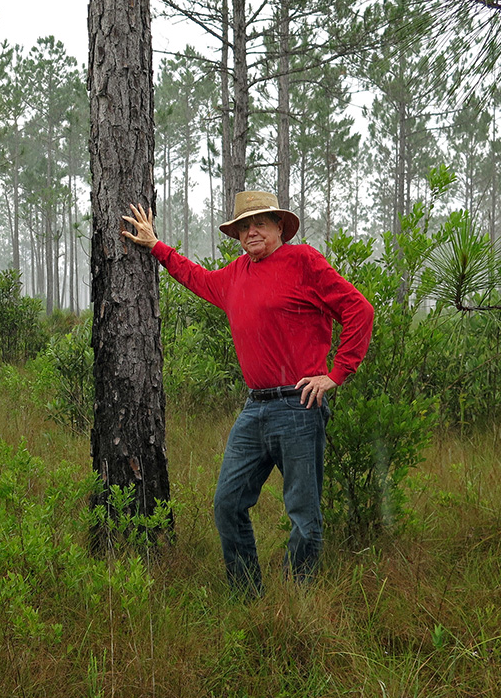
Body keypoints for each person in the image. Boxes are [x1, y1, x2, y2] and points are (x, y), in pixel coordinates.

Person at [121, 191, 374, 596]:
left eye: (260, 223)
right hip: (255, 409)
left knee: (304, 516)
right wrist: (156, 246)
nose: (251, 231)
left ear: (279, 228)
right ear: (237, 234)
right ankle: (247, 595)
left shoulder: (304, 262)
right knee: (227, 503)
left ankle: (298, 600)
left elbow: (359, 310)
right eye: (243, 226)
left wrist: (336, 374)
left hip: (299, 405)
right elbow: (196, 277)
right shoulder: (235, 275)